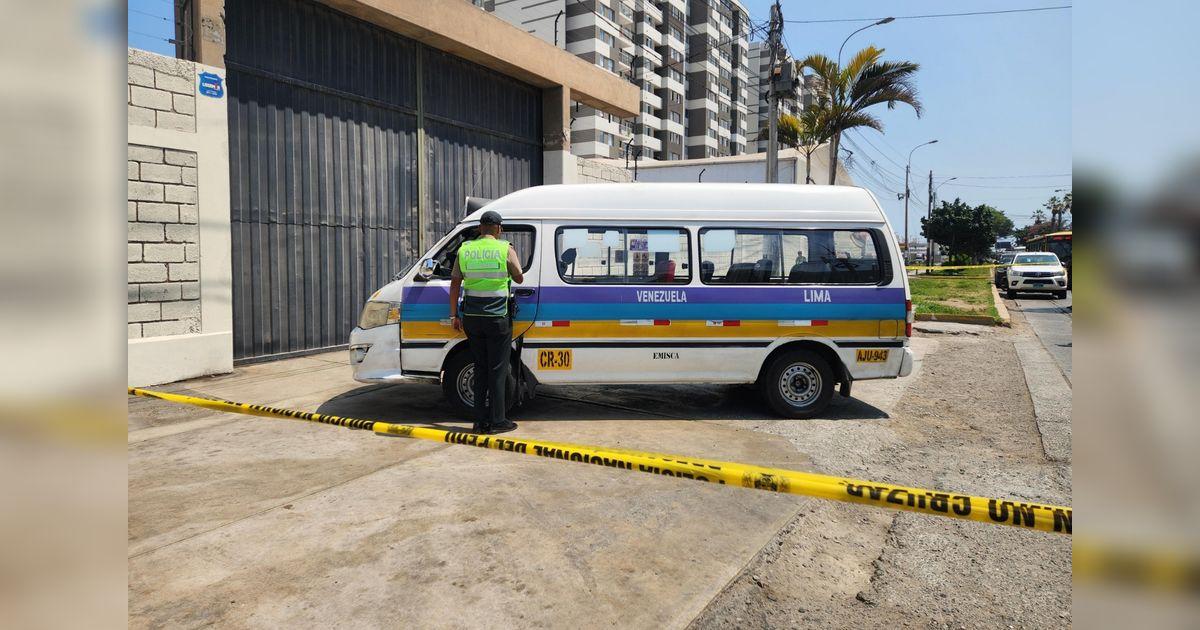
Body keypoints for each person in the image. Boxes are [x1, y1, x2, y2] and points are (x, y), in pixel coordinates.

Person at [449, 210, 524, 434]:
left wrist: (454, 315)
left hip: (472, 319)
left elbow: (454, 284)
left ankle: (479, 421)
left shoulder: (465, 250)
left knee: (480, 368)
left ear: (480, 228)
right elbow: (519, 277)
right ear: (499, 229)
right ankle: (498, 420)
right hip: (497, 318)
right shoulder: (504, 249)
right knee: (498, 369)